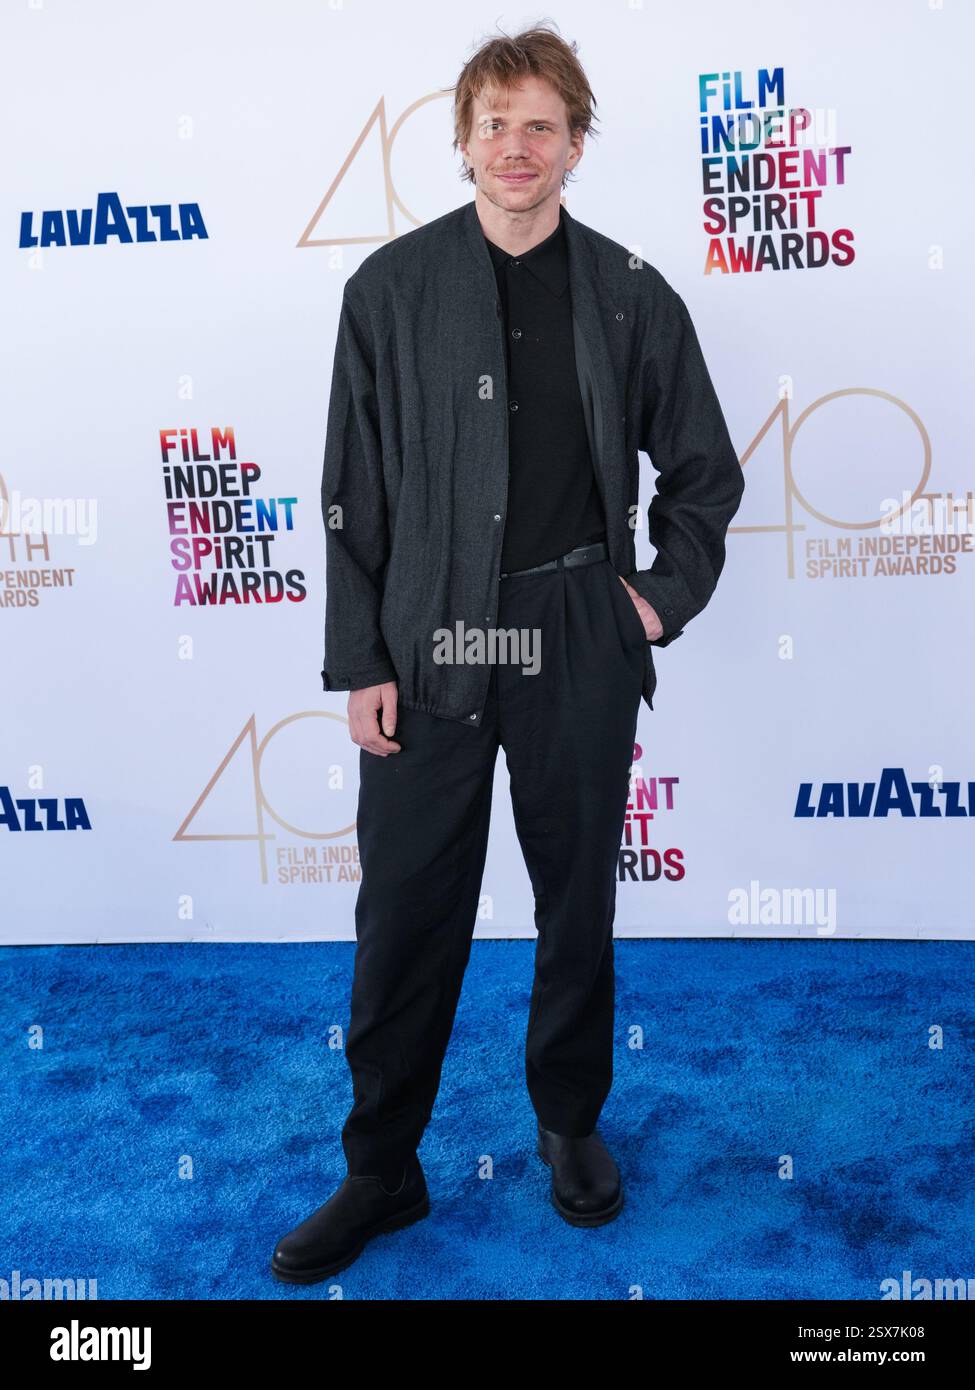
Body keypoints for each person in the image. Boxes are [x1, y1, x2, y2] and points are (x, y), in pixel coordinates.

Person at [271, 23, 744, 1284]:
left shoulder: (635, 294)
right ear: (463, 142)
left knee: (574, 894)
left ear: (576, 144)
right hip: (430, 640)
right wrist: (360, 659)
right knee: (406, 906)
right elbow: (351, 495)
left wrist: (647, 602)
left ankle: (570, 1123)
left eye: (543, 125)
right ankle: (382, 1168)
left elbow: (705, 472)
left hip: (575, 631)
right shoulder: (387, 293)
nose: (517, 147)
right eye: (495, 125)